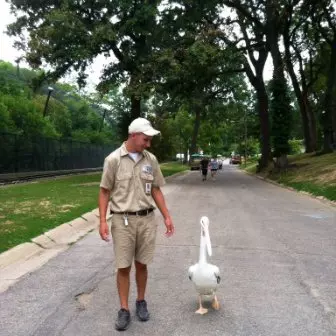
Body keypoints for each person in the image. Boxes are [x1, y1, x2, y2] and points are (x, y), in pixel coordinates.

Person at [98, 117, 175, 331]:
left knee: (142, 264)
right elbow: (104, 191)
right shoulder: (113, 159)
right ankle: (124, 309)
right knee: (123, 266)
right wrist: (102, 220)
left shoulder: (151, 160)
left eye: (149, 140)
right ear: (133, 135)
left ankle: (141, 301)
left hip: (147, 219)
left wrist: (167, 215)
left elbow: (157, 189)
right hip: (123, 220)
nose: (148, 144)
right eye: (145, 139)